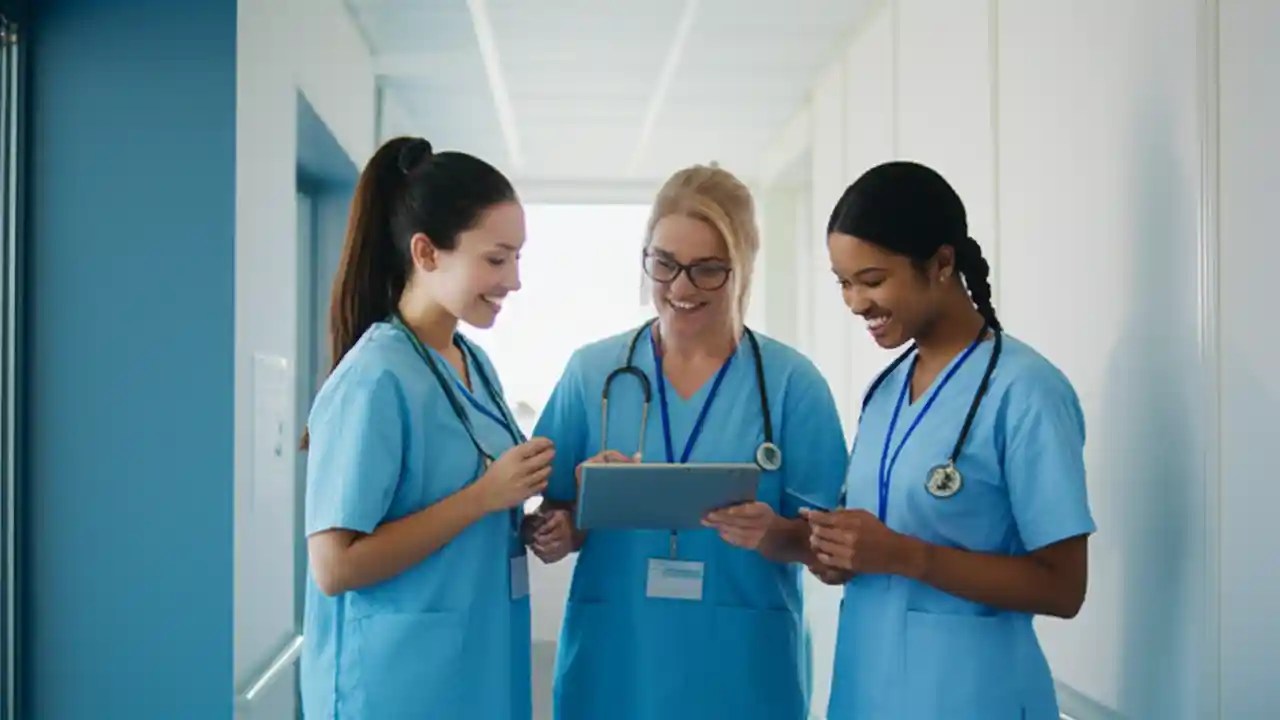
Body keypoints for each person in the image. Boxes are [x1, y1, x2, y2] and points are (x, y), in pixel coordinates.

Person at [526, 164, 849, 720]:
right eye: (665, 264)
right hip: (618, 662)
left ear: (742, 267)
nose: (680, 288)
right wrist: (562, 523)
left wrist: (773, 532)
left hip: (741, 671)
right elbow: (548, 514)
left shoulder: (791, 384)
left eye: (707, 270)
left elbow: (832, 554)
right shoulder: (594, 373)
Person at [805, 160, 1095, 719]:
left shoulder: (1026, 391)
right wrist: (840, 556)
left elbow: (1064, 588)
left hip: (973, 699)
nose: (855, 303)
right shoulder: (885, 391)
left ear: (941, 264)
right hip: (866, 695)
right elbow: (878, 544)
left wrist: (905, 556)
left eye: (872, 280)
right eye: (844, 283)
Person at [299, 136, 554, 719]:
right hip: (393, 688)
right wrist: (483, 498)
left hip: (472, 673)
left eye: (517, 257)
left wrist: (553, 499)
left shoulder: (472, 362)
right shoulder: (374, 378)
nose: (513, 279)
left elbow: (476, 495)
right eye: (496, 258)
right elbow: (335, 567)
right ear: (426, 252)